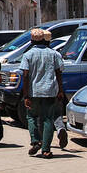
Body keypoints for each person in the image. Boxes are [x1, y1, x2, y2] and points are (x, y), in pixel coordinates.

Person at [20, 28, 66, 158]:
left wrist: (26, 95)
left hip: (34, 92)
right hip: (50, 91)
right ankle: (46, 149)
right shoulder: (54, 54)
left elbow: (25, 75)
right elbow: (59, 73)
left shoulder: (28, 55)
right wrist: (61, 90)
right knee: (48, 119)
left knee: (31, 117)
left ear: (31, 41)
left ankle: (36, 141)